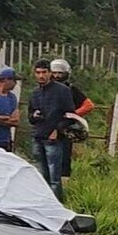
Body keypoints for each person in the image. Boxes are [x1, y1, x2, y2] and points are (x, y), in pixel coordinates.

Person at [29, 59, 76, 199]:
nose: (41, 75)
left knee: (54, 178)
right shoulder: (35, 92)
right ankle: (43, 203)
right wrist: (34, 115)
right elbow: (30, 115)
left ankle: (57, 205)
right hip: (38, 136)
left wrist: (57, 130)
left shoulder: (62, 91)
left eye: (44, 72)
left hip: (54, 139)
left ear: (50, 73)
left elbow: (70, 115)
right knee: (41, 176)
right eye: (38, 73)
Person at [50, 60, 94, 185]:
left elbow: (88, 105)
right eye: (55, 72)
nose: (57, 76)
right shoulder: (44, 89)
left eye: (60, 73)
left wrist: (72, 114)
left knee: (64, 158)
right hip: (46, 128)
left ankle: (64, 187)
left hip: (64, 129)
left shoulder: (70, 88)